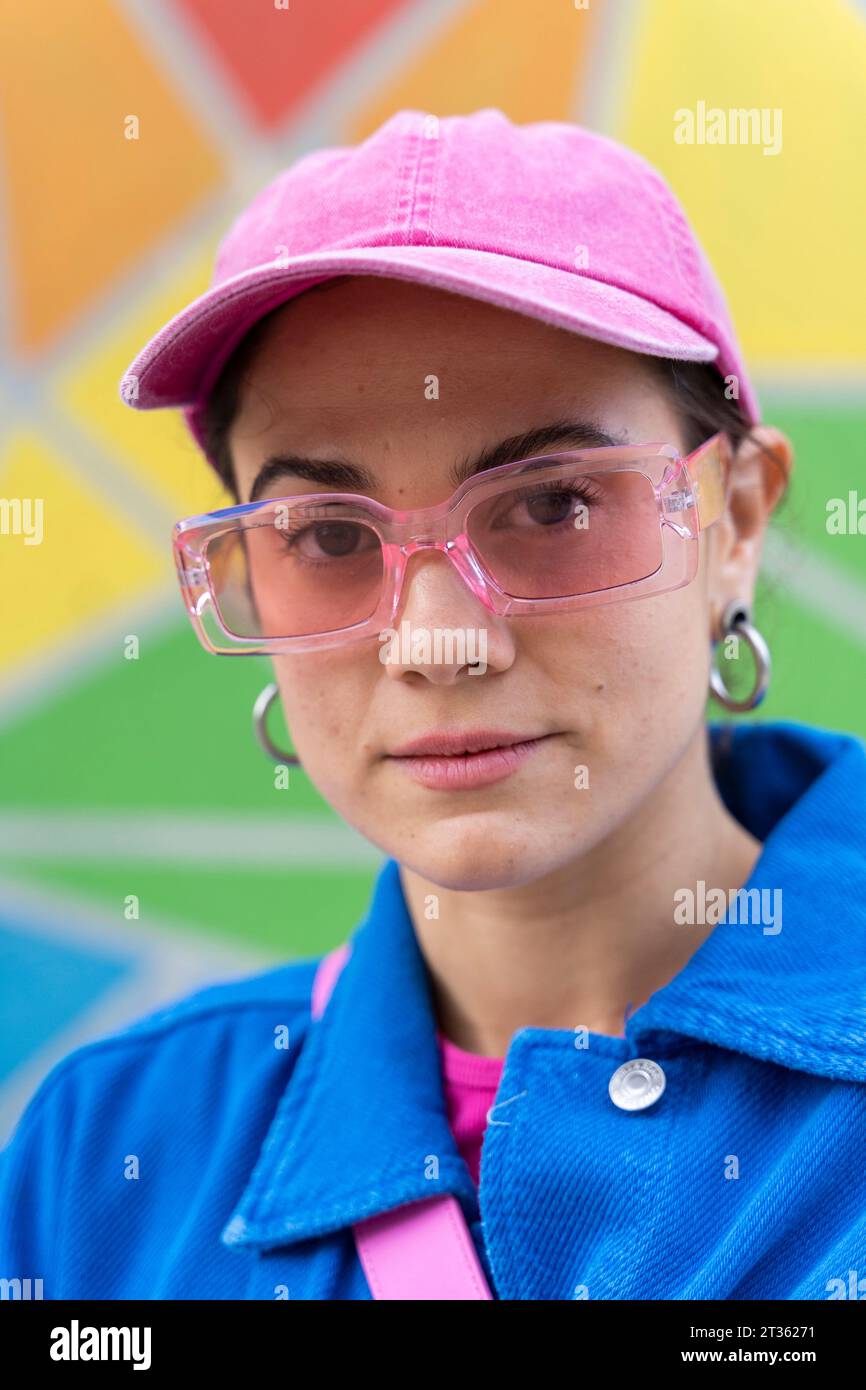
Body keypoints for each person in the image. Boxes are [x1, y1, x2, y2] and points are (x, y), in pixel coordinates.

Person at [1, 108, 865, 1302]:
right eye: (329, 534)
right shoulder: (107, 1159)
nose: (435, 640)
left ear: (735, 521)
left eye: (551, 504)